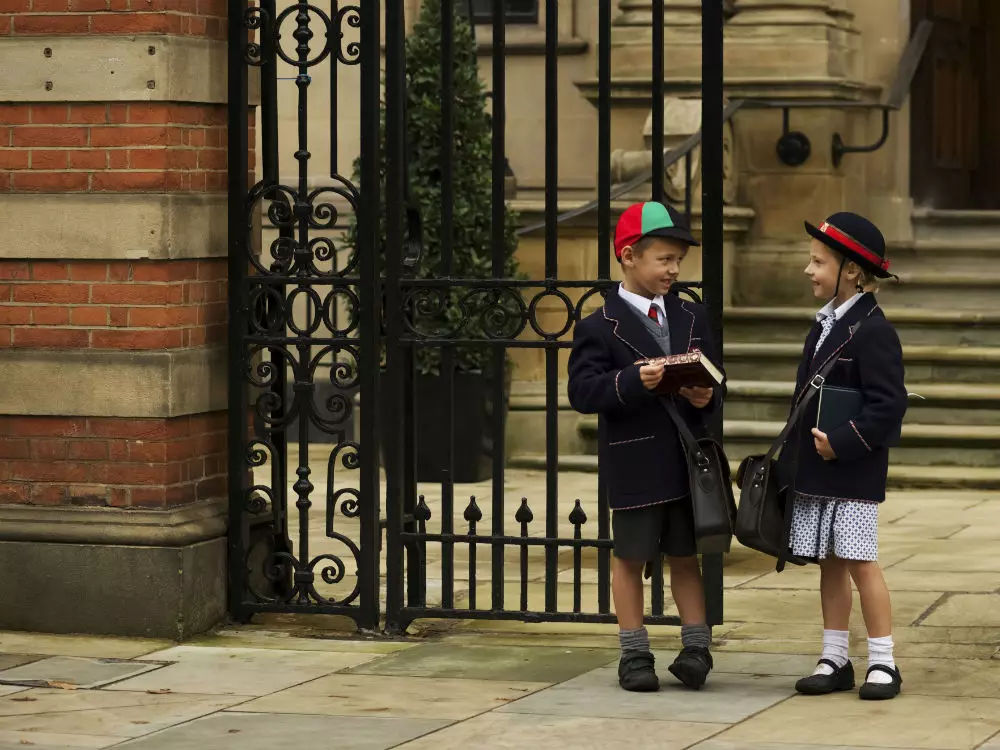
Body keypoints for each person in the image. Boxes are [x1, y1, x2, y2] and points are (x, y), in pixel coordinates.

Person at [567, 201, 726, 692]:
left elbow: (717, 383)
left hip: (685, 459)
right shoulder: (599, 325)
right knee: (630, 557)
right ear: (628, 255)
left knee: (686, 555)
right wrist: (632, 380)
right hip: (635, 460)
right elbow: (582, 392)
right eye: (664, 259)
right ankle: (634, 654)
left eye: (679, 260)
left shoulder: (693, 316)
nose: (674, 270)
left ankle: (696, 648)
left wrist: (707, 394)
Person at [784, 212, 908, 701]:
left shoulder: (873, 330)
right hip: (818, 469)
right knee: (829, 564)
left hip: (852, 469)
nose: (808, 269)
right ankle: (834, 657)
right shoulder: (824, 326)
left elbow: (888, 405)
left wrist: (843, 441)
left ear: (852, 271)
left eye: (819, 262)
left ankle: (884, 661)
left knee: (860, 561)